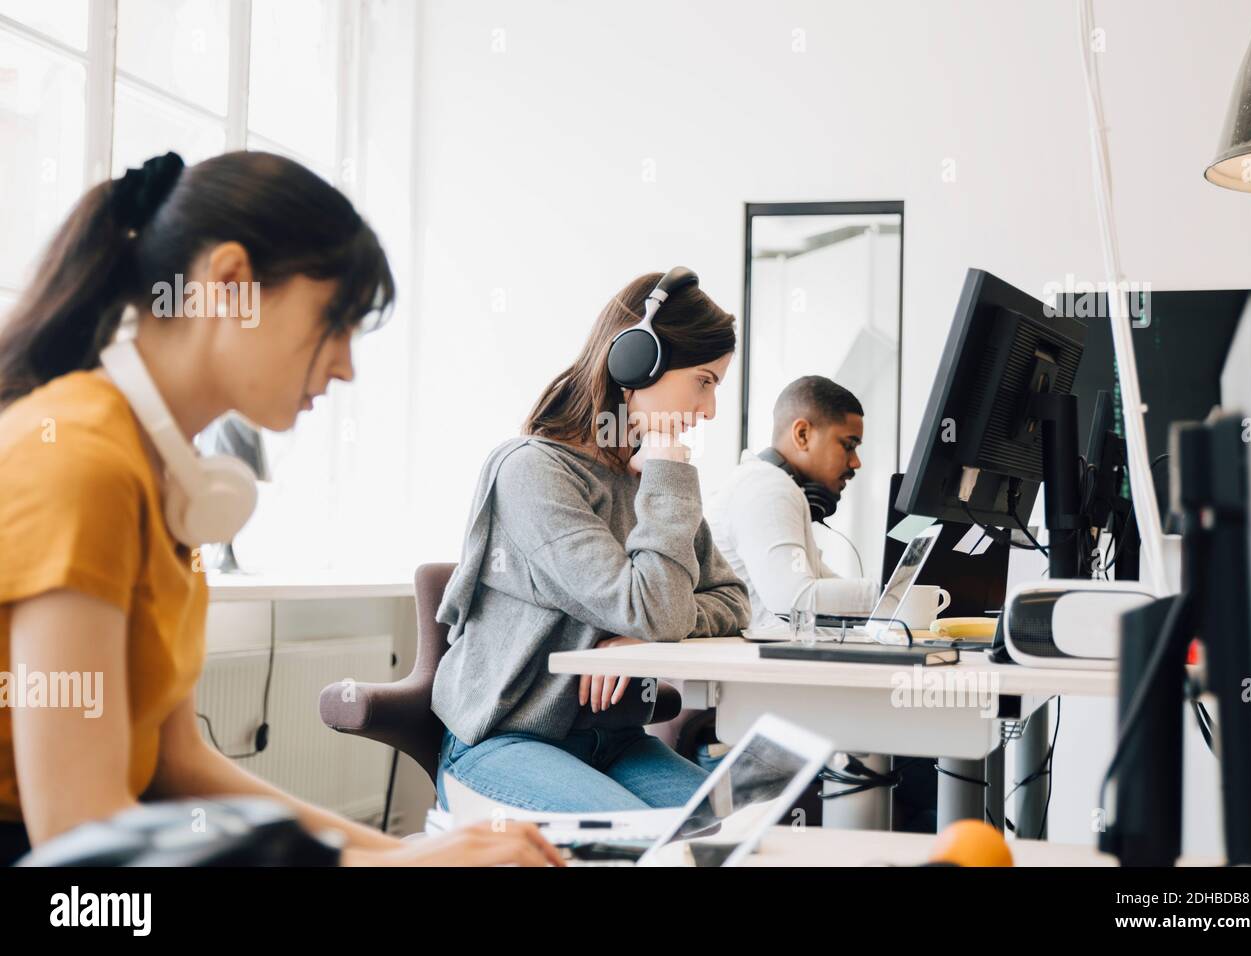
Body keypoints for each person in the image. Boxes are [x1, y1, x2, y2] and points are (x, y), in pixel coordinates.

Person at [0, 151, 562, 867]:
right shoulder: (79, 456)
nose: (346, 366)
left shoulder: (163, 475)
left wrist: (410, 851)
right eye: (335, 322)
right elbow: (76, 835)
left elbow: (180, 765)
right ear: (230, 282)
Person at [433, 271, 751, 812]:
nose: (710, 410)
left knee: (733, 836)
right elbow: (653, 610)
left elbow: (733, 599)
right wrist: (652, 622)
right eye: (705, 381)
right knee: (645, 849)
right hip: (506, 743)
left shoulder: (651, 478)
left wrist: (641, 640)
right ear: (635, 363)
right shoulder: (533, 471)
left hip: (619, 742)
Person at [706, 375, 877, 628]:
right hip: (752, 662)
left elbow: (822, 583)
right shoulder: (767, 487)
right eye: (848, 445)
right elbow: (795, 599)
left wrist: (896, 596)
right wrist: (895, 594)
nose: (856, 463)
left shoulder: (771, 485)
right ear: (802, 434)